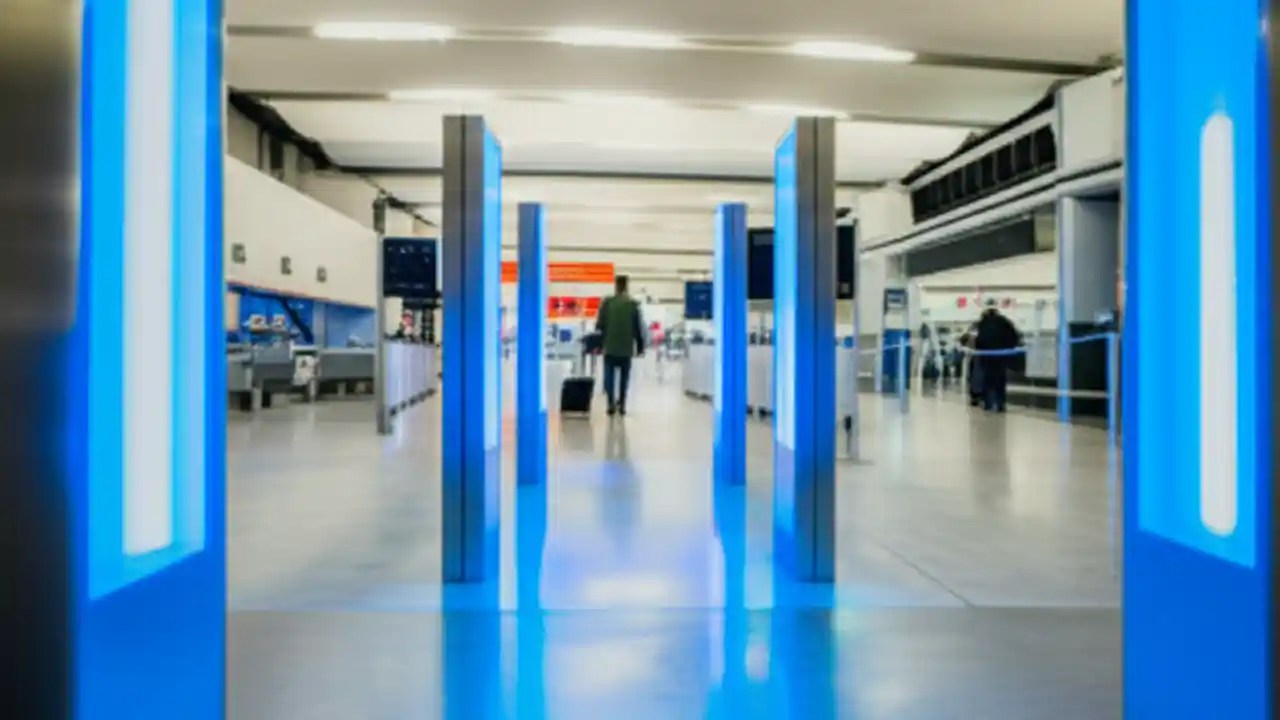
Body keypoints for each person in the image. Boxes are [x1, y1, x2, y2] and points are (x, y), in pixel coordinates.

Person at [595, 275, 646, 416]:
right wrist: (640, 346)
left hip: (610, 347)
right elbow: (637, 328)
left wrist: (598, 344)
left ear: (616, 286)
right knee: (624, 378)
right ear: (626, 286)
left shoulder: (607, 303)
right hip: (626, 348)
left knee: (609, 377)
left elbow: (600, 325)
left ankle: (610, 404)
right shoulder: (632, 305)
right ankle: (622, 404)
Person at [973, 307, 1021, 412]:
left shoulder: (982, 323)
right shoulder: (1004, 322)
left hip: (986, 356)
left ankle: (988, 404)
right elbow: (1014, 336)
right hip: (1001, 356)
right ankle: (1000, 404)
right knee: (1000, 380)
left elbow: (979, 340)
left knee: (987, 380)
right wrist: (1009, 349)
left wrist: (979, 351)